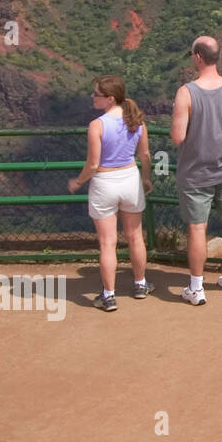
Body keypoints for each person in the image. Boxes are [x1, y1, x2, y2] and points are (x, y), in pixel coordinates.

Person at [172, 36, 222, 306]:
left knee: (197, 229)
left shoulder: (186, 93)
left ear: (198, 57)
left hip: (195, 173)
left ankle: (196, 287)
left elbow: (177, 136)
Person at [67, 76, 154, 310]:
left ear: (109, 99)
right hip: (130, 180)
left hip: (105, 183)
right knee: (135, 237)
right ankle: (140, 284)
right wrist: (146, 178)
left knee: (107, 244)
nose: (92, 97)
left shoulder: (97, 125)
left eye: (96, 94)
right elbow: (145, 155)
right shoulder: (137, 121)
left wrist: (78, 181)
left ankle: (108, 296)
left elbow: (93, 165)